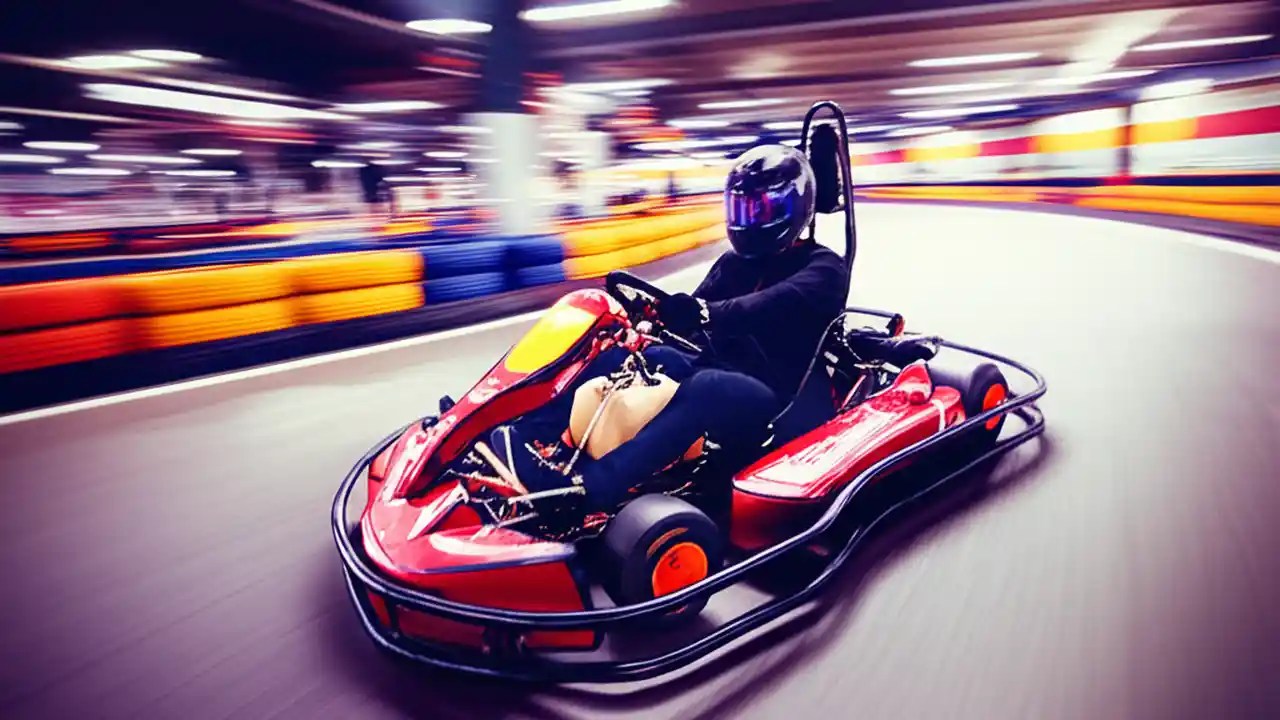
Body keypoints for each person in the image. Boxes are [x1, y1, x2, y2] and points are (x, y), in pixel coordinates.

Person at [498, 144, 849, 511]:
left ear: (794, 208)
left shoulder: (824, 268)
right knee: (625, 353)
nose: (750, 220)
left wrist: (704, 313)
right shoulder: (735, 264)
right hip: (716, 365)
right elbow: (694, 311)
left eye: (761, 209)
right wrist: (654, 319)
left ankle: (590, 490)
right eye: (742, 209)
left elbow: (763, 306)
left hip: (778, 398)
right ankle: (526, 435)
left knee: (707, 387)